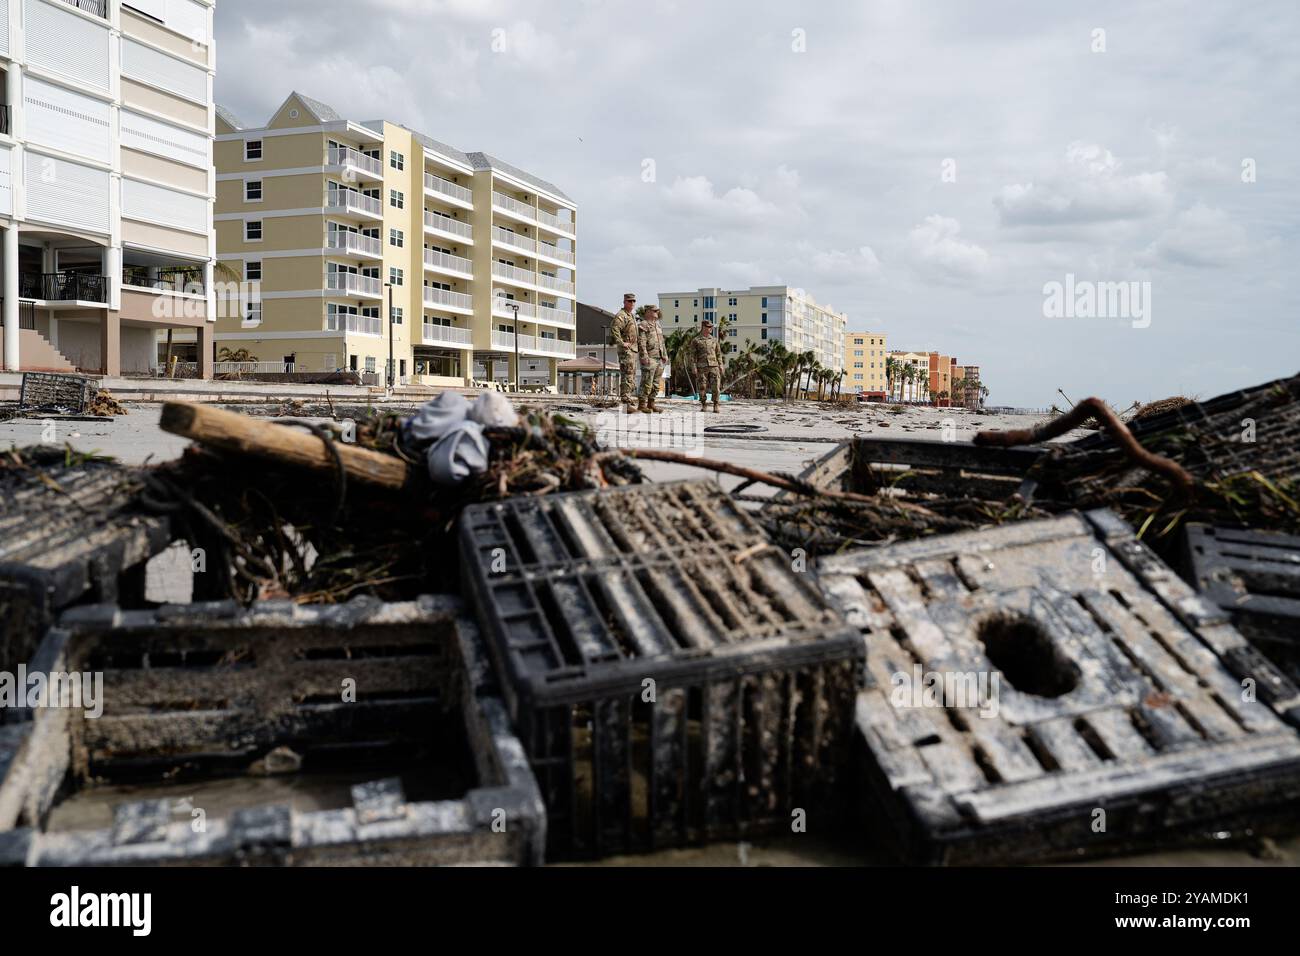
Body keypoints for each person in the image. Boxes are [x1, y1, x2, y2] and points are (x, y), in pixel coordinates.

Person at [610, 293, 640, 412]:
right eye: (629, 301)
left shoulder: (630, 315)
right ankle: (626, 404)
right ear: (624, 302)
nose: (632, 303)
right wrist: (622, 343)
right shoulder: (621, 315)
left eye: (633, 301)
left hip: (632, 350)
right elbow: (615, 329)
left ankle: (628, 400)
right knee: (627, 375)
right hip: (626, 351)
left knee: (631, 375)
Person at [637, 305, 667, 414]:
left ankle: (651, 404)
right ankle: (642, 405)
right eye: (654, 311)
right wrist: (644, 356)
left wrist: (665, 355)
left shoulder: (657, 325)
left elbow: (662, 342)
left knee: (655, 383)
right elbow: (642, 342)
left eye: (657, 311)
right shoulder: (643, 324)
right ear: (648, 312)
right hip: (649, 357)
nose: (656, 312)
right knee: (646, 382)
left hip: (659, 358)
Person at [690, 319, 724, 412]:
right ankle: (704, 404)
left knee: (716, 386)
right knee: (702, 387)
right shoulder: (696, 340)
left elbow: (718, 354)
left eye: (711, 327)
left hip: (714, 366)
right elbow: (692, 355)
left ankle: (716, 405)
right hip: (701, 367)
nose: (711, 328)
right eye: (709, 327)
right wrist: (693, 367)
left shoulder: (714, 340)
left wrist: (721, 365)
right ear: (704, 327)